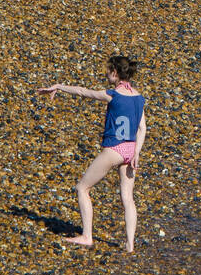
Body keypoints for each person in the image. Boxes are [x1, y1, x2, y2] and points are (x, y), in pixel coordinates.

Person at [37, 55, 146, 253]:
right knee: (127, 198)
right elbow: (142, 128)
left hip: (115, 148)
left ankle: (87, 236)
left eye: (108, 71)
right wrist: (137, 151)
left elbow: (82, 92)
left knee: (82, 188)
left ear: (114, 73)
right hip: (131, 149)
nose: (105, 74)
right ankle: (130, 244)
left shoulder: (112, 94)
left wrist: (59, 86)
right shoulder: (139, 97)